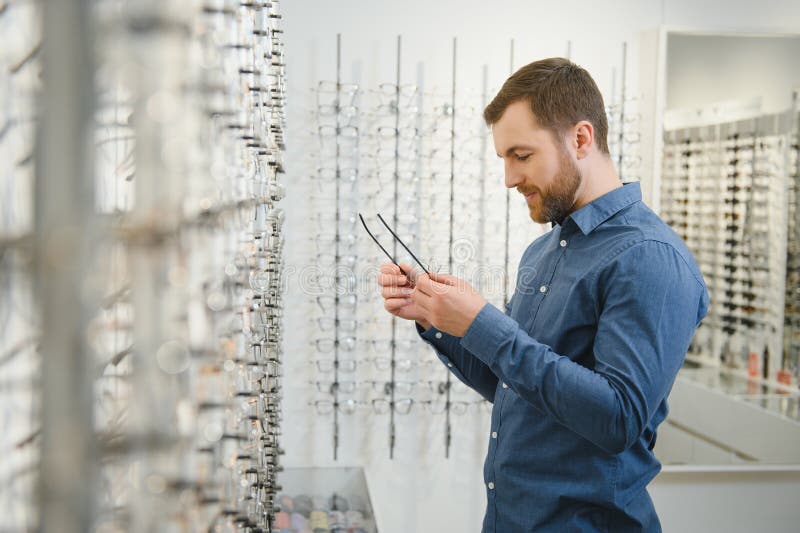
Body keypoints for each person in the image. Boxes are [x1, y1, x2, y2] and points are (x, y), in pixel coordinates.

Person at [376, 57, 709, 532]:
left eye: (522, 155)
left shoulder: (649, 258)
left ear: (580, 138)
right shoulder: (543, 251)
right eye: (504, 159)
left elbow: (618, 417)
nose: (509, 178)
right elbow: (514, 386)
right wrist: (436, 319)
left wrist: (481, 323)